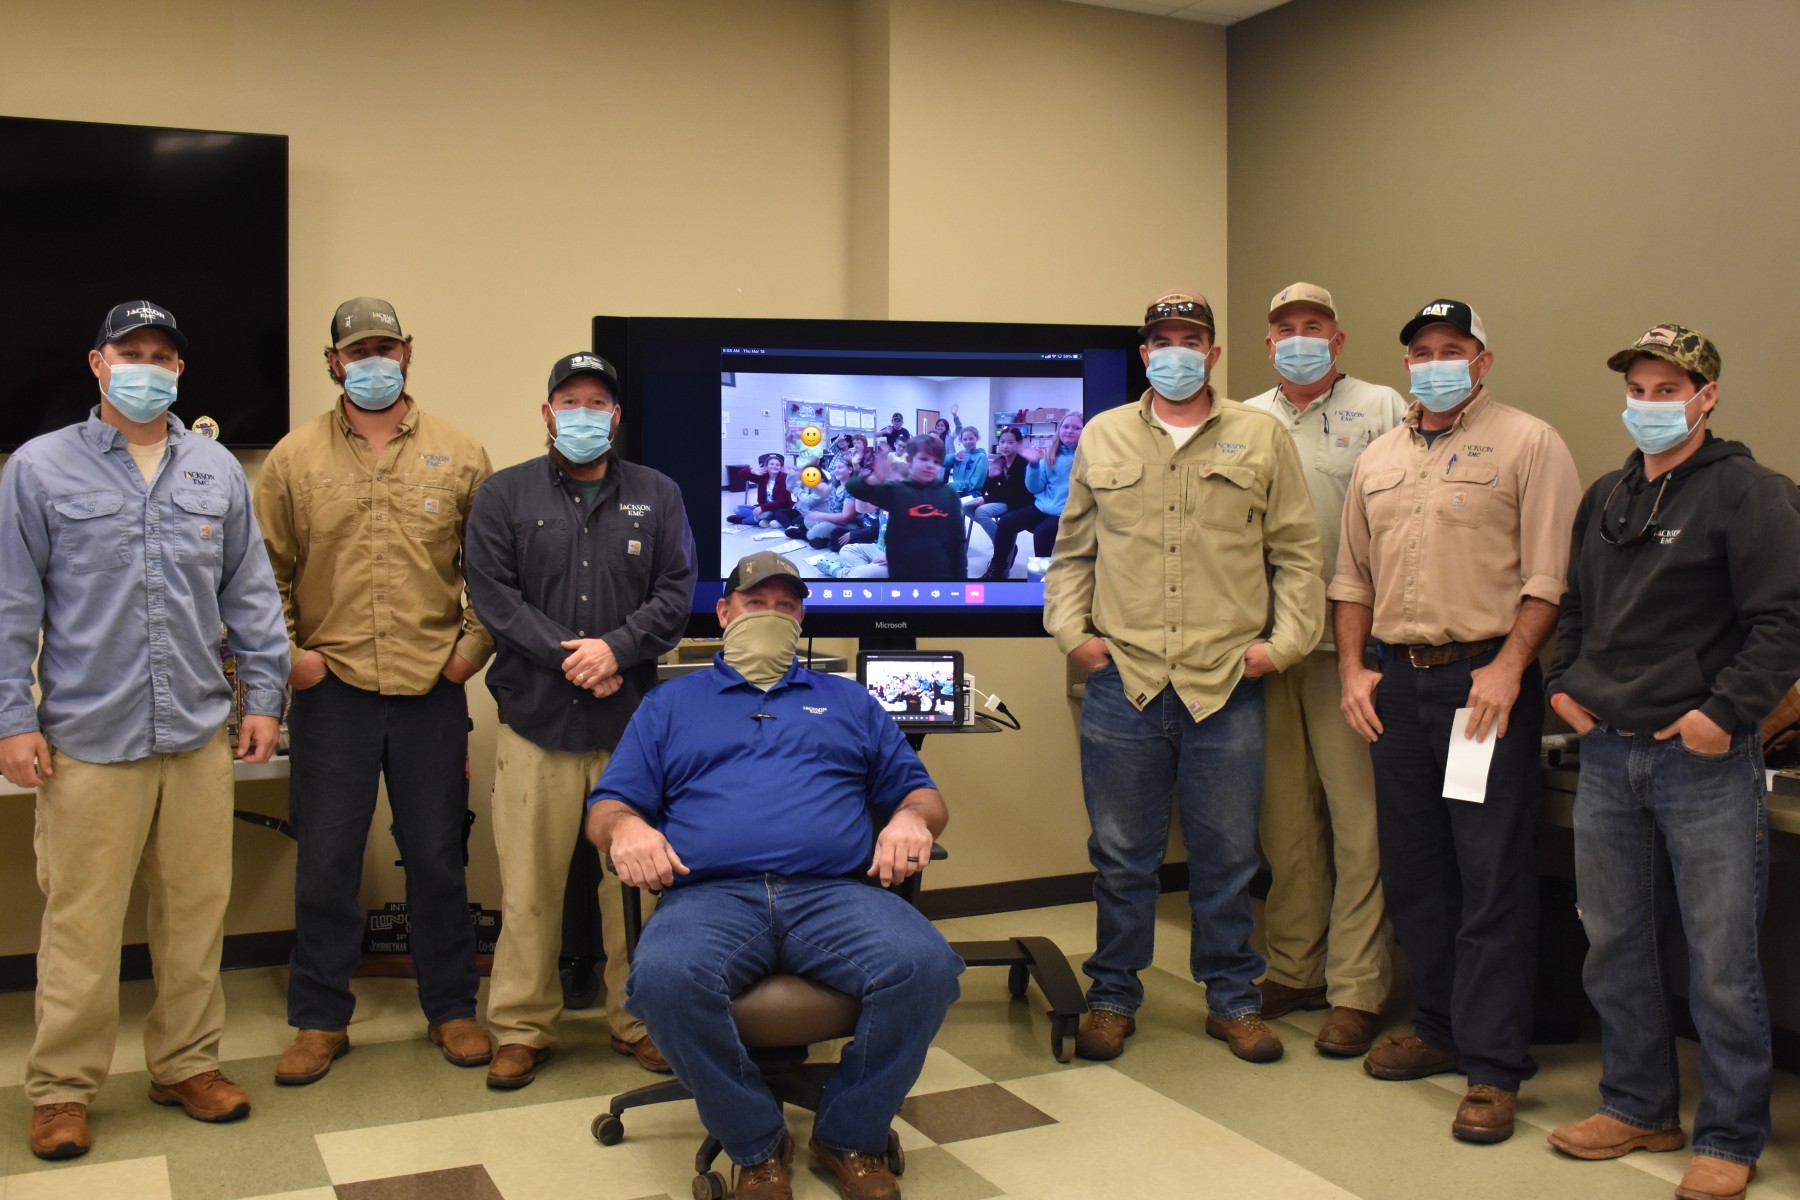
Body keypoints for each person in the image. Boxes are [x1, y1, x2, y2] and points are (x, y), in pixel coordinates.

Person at [0, 302, 289, 1159]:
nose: (148, 366)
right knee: (81, 927)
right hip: (89, 740)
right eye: (132, 352)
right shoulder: (40, 468)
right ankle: (60, 1091)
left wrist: (264, 698)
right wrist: (13, 717)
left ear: (179, 373)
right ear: (98, 363)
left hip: (198, 736)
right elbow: (13, 605)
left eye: (163, 356)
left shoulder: (213, 470)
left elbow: (250, 594)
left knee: (196, 919)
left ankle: (186, 1065)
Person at [583, 551, 963, 1200]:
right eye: (756, 604)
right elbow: (609, 806)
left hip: (833, 893)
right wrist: (626, 829)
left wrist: (911, 822)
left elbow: (923, 796)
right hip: (711, 895)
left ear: (802, 618)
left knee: (925, 967)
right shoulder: (670, 705)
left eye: (786, 606)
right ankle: (756, 1142)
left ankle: (850, 1131)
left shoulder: (850, 701)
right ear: (725, 613)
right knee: (664, 981)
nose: (771, 615)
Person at [1543, 326, 1800, 1200]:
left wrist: (1722, 716)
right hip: (1608, 756)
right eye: (1640, 389)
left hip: (1703, 763)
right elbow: (1572, 603)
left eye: (1668, 390)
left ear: (1707, 395)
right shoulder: (1608, 495)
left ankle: (1729, 1133)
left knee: (1721, 959)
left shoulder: (1751, 494)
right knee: (1613, 945)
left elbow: (1783, 624)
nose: (1650, 404)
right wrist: (1563, 685)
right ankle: (1638, 1104)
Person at [1043, 289, 1324, 1065]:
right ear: (1144, 353)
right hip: (1123, 680)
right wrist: (1074, 636)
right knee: (1122, 853)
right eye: (1162, 339)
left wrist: (1285, 646)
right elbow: (1072, 555)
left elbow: (1297, 553)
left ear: (1213, 351)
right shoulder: (1103, 436)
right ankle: (1112, 994)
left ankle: (1234, 999)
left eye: (1191, 338)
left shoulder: (1260, 437)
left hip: (1225, 683)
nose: (1176, 351)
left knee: (1229, 854)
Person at [1330, 298, 1581, 1143]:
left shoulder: (1528, 443)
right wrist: (1352, 671)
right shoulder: (1380, 457)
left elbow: (1550, 577)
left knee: (1489, 876)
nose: (1436, 361)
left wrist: (1510, 669)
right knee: (1414, 873)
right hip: (1399, 687)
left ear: (1483, 359)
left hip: (1484, 686)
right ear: (1406, 365)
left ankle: (1494, 1067)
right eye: (1422, 351)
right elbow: (1351, 580)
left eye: (1453, 348)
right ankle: (1437, 1028)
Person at [254, 296, 496, 1085]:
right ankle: (320, 1020)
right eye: (356, 351)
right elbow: (264, 575)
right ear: (332, 363)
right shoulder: (293, 460)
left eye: (385, 347)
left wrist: (467, 654)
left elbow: (492, 575)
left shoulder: (461, 454)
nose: (372, 362)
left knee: (436, 856)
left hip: (432, 688)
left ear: (408, 354)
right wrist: (290, 658)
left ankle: (453, 1009)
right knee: (325, 860)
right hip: (335, 692)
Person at [463, 351, 696, 1087]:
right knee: (527, 888)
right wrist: (573, 655)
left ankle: (643, 1019)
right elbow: (493, 595)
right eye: (570, 401)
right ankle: (523, 1028)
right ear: (547, 412)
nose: (583, 414)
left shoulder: (658, 496)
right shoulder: (505, 495)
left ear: (616, 416)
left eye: (598, 402)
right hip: (536, 721)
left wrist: (616, 651)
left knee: (637, 885)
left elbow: (674, 593)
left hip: (632, 728)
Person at [1242, 283, 1407, 1057]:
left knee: (1358, 824)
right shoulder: (1243, 419)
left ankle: (1356, 987)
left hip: (1350, 649)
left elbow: (1398, 528)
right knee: (1283, 823)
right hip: (1267, 645)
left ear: (1337, 342)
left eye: (1314, 328)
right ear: (1267, 343)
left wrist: (1368, 650)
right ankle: (1295, 966)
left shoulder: (1381, 410)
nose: (1298, 340)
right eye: (1285, 330)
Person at [845, 433, 963, 581]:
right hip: (899, 567)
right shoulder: (897, 491)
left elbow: (957, 542)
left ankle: (851, 574)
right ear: (909, 460)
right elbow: (853, 487)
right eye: (924, 459)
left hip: (933, 569)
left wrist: (960, 580)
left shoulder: (948, 494)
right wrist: (876, 477)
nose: (930, 465)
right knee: (849, 552)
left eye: (936, 461)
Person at [986, 412, 1081, 580]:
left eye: (1076, 427)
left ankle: (1041, 583)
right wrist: (1034, 464)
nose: (1069, 431)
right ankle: (997, 571)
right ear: (1059, 430)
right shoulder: (1051, 456)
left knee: (1042, 533)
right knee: (1007, 522)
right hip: (1043, 507)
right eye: (1065, 426)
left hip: (1067, 510)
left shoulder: (1085, 457)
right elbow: (1034, 488)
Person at [972, 425, 1031, 559]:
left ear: (1019, 444)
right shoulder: (1000, 461)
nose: (1005, 446)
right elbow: (989, 488)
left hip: (1017, 503)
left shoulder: (1023, 464)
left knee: (981, 511)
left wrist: (986, 499)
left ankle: (1002, 545)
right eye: (1002, 442)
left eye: (1010, 442)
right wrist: (992, 477)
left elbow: (1014, 494)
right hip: (1003, 500)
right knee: (968, 507)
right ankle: (1005, 544)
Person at [947, 423, 989, 505]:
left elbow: (975, 483)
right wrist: (952, 456)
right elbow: (942, 462)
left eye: (971, 438)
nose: (968, 442)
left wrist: (953, 486)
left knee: (947, 504)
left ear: (977, 438)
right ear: (961, 440)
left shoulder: (981, 457)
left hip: (972, 494)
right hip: (957, 490)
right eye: (965, 439)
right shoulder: (960, 454)